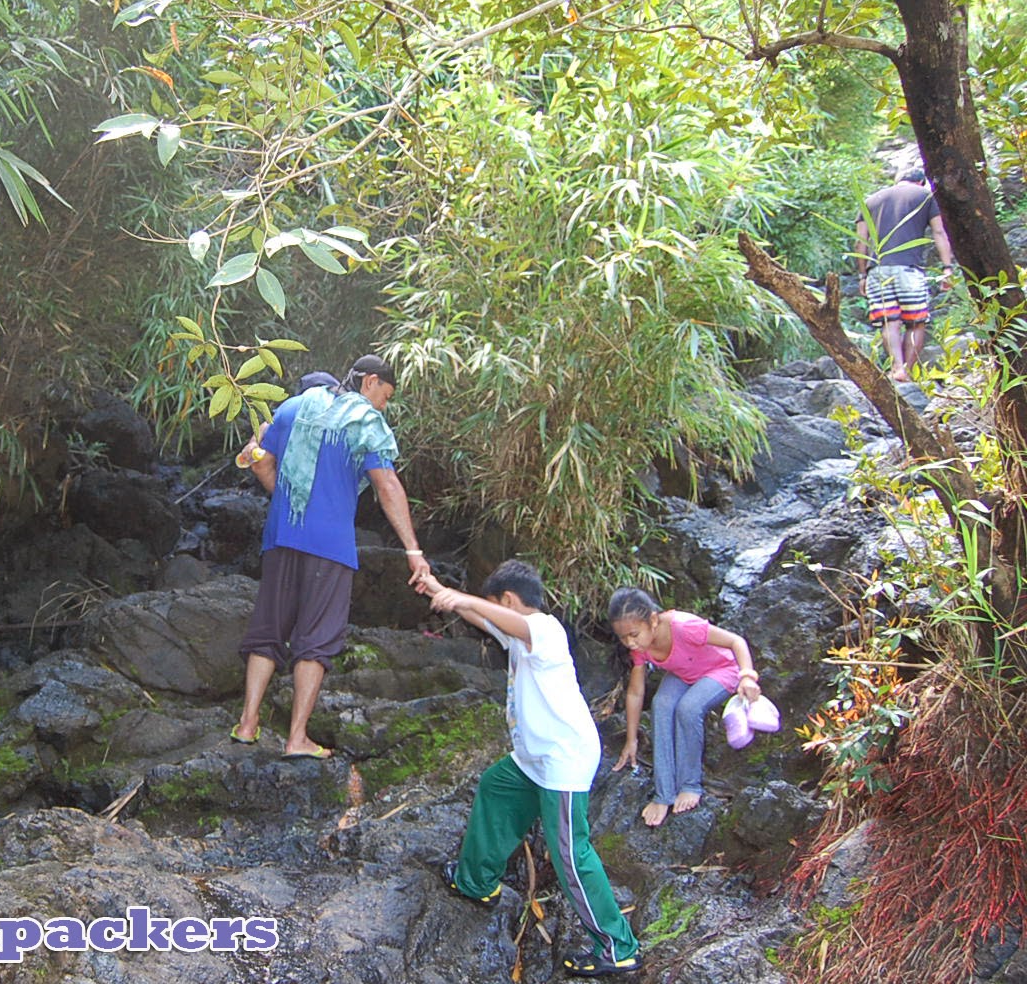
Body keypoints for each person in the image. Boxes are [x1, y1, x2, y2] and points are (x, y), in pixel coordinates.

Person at [417, 561, 641, 978]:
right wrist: (438, 589)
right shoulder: (519, 632)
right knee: (495, 787)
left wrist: (461, 597)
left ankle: (618, 947)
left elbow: (494, 615)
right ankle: (476, 882)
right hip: (532, 759)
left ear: (509, 600)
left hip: (563, 759)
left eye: (495, 604)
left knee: (570, 855)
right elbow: (482, 617)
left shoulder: (547, 630)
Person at [229, 355, 430, 759]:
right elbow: (386, 484)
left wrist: (286, 500)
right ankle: (297, 738)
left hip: (281, 537)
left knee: (269, 628)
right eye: (385, 396)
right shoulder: (363, 420)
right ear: (370, 381)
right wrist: (413, 550)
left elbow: (261, 460)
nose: (384, 406)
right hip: (331, 547)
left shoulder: (294, 405)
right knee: (316, 640)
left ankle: (247, 725)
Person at [607, 587, 760, 828]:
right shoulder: (640, 647)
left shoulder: (683, 626)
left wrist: (748, 676)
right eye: (623, 638)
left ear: (653, 620)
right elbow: (636, 692)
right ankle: (663, 793)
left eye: (634, 634)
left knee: (688, 708)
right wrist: (631, 739)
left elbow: (735, 641)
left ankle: (690, 785)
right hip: (686, 673)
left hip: (722, 670)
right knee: (662, 704)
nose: (630, 642)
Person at [855, 164, 956, 382]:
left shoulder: (871, 200)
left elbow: (860, 243)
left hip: (877, 270)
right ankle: (906, 373)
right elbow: (939, 232)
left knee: (889, 322)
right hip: (909, 269)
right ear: (920, 181)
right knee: (915, 322)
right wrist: (947, 267)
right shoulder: (925, 196)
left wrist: (862, 275)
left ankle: (896, 368)